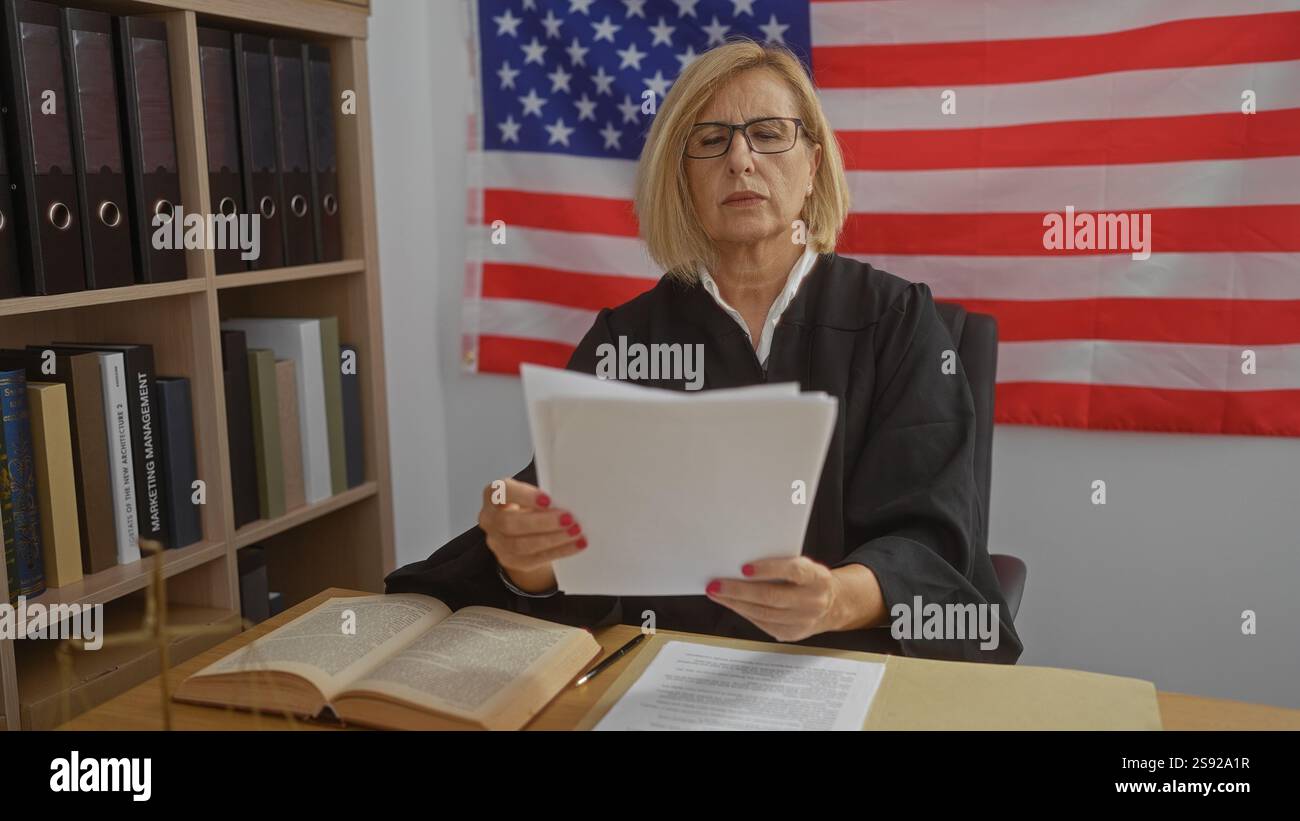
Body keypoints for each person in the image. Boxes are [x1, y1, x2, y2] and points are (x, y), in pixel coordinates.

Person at [386, 39, 1022, 663]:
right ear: (682, 180)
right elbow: (567, 543)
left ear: (814, 167)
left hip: (850, 666)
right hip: (661, 670)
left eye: (769, 134)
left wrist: (833, 599)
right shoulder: (626, 342)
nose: (741, 160)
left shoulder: (896, 322)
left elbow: (932, 540)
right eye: (711, 140)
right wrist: (528, 561)